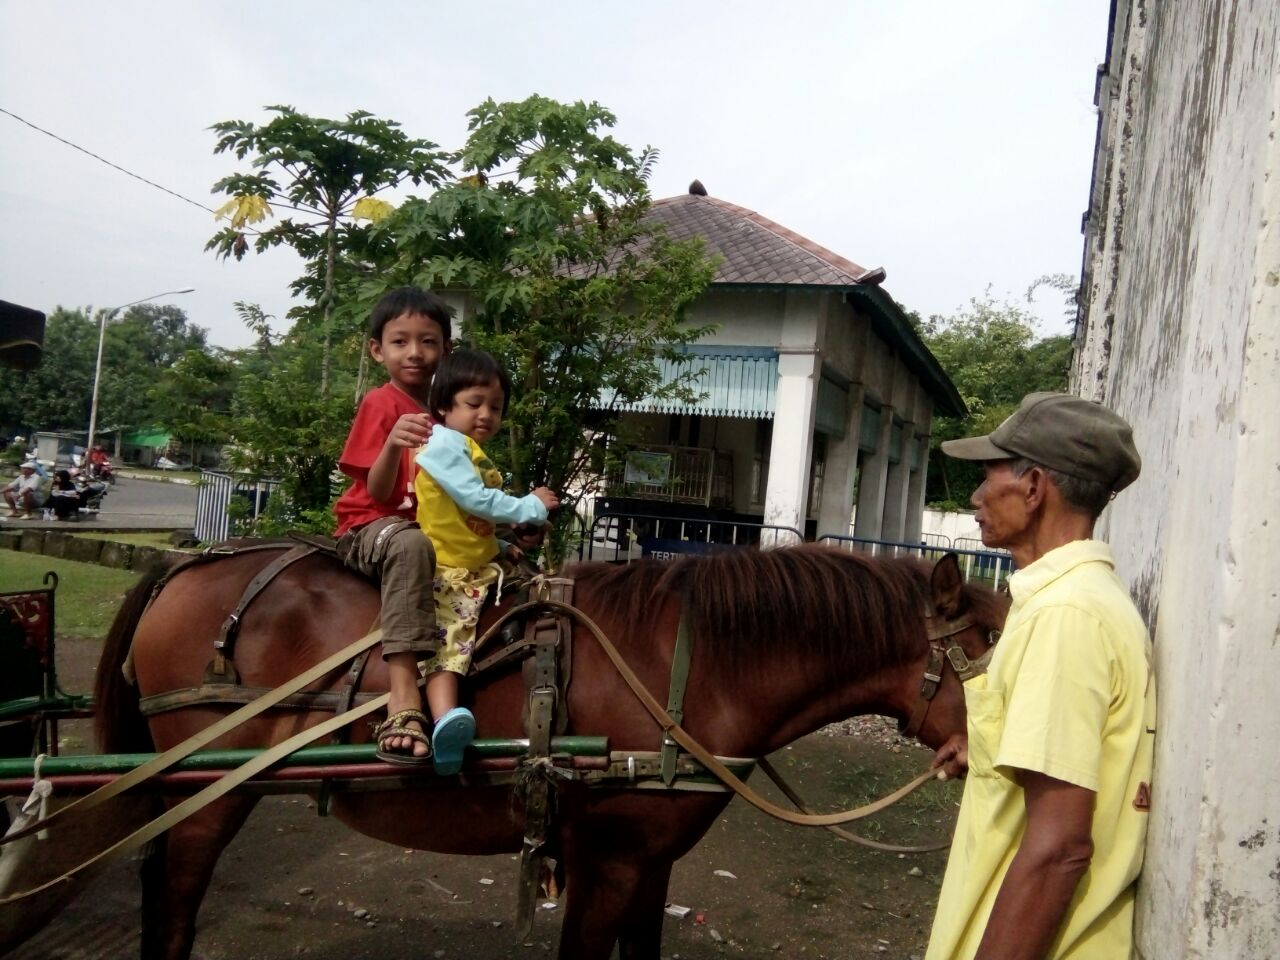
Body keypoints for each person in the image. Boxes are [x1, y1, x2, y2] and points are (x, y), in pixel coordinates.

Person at [925, 392, 1156, 960]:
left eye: (986, 478)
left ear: (1032, 489)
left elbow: (1060, 851)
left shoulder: (1064, 617)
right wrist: (986, 748)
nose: (976, 498)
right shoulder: (1065, 601)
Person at [414, 349, 558, 775]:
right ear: (444, 405)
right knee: (449, 638)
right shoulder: (443, 445)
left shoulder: (467, 449)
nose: (486, 414)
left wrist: (500, 543)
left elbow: (467, 519)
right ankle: (444, 719)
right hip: (449, 568)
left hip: (480, 563)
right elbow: (476, 500)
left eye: (495, 407)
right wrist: (529, 506)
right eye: (473, 403)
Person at [333, 287, 451, 764]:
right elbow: (380, 495)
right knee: (410, 547)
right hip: (371, 526)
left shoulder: (448, 411)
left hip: (426, 528)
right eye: (400, 341)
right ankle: (403, 691)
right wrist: (391, 446)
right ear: (377, 350)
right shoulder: (382, 404)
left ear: (446, 349)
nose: (416, 353)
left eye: (428, 341)